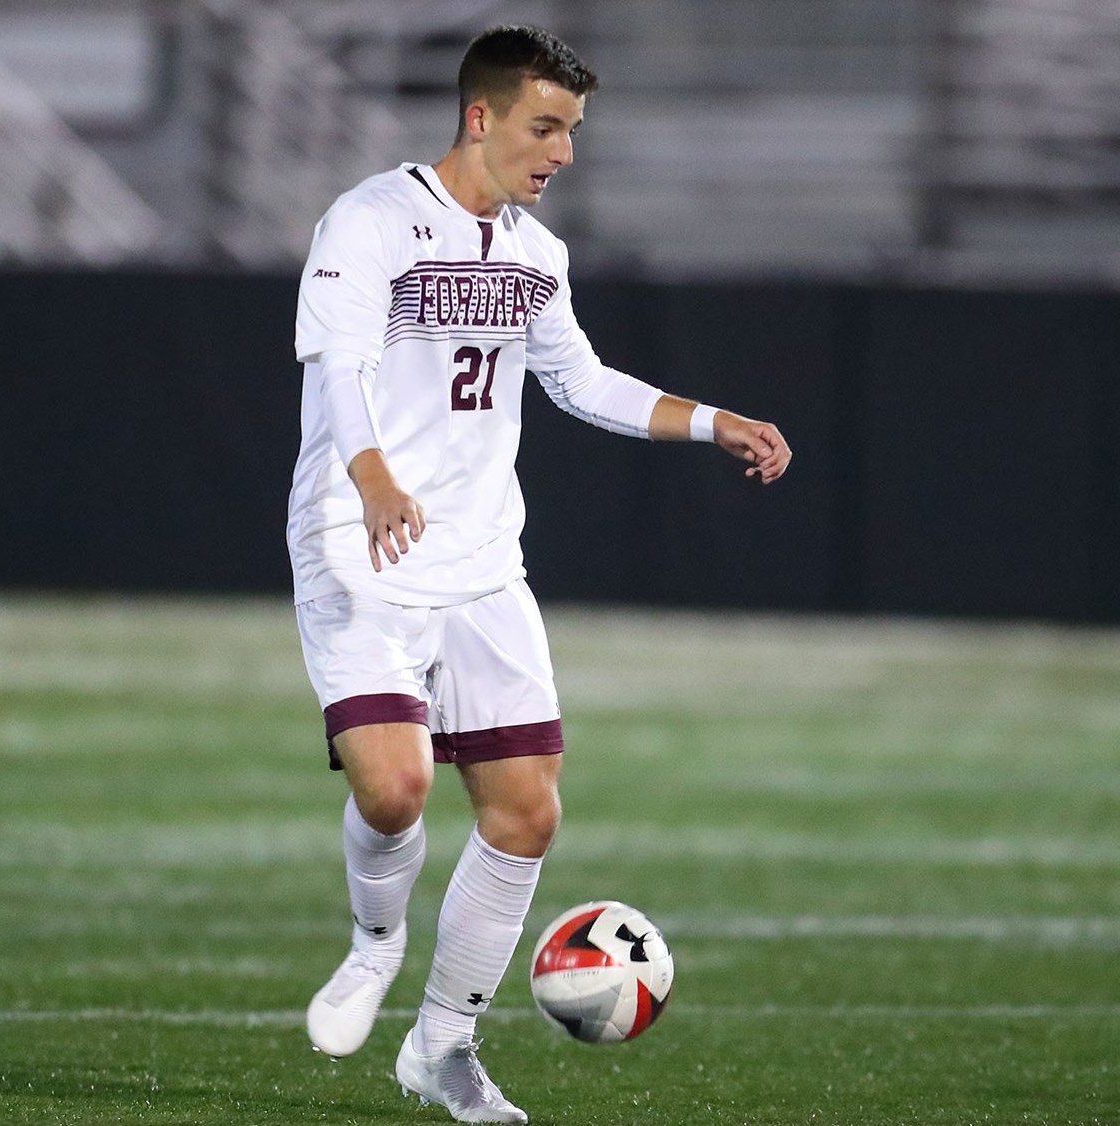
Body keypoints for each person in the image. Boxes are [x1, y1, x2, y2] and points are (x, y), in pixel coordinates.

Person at [285, 25, 791, 1124]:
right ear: (481, 117)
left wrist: (714, 422)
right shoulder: (370, 221)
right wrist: (372, 477)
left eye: (570, 132)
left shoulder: (532, 255)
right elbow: (339, 367)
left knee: (524, 813)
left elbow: (581, 381)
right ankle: (375, 942)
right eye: (544, 127)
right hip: (357, 540)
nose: (561, 152)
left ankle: (442, 1047)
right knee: (394, 787)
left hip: (479, 563)